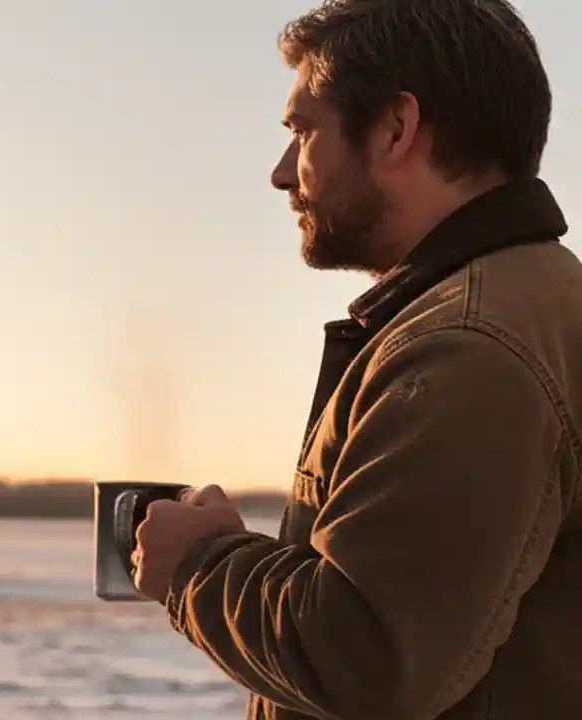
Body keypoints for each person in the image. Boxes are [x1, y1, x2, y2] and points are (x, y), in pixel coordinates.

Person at [129, 1, 582, 718]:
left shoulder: (467, 347)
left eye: (303, 130)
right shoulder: (520, 303)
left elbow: (366, 658)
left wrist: (199, 564)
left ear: (397, 128)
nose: (282, 173)